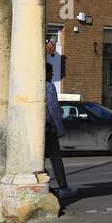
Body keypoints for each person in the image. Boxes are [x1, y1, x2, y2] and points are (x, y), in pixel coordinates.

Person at [44, 67, 74, 200]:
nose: (52, 75)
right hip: (49, 128)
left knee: (38, 160)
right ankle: (63, 187)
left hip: (37, 129)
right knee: (56, 159)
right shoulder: (48, 86)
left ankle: (44, 184)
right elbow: (54, 108)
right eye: (51, 72)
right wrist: (60, 129)